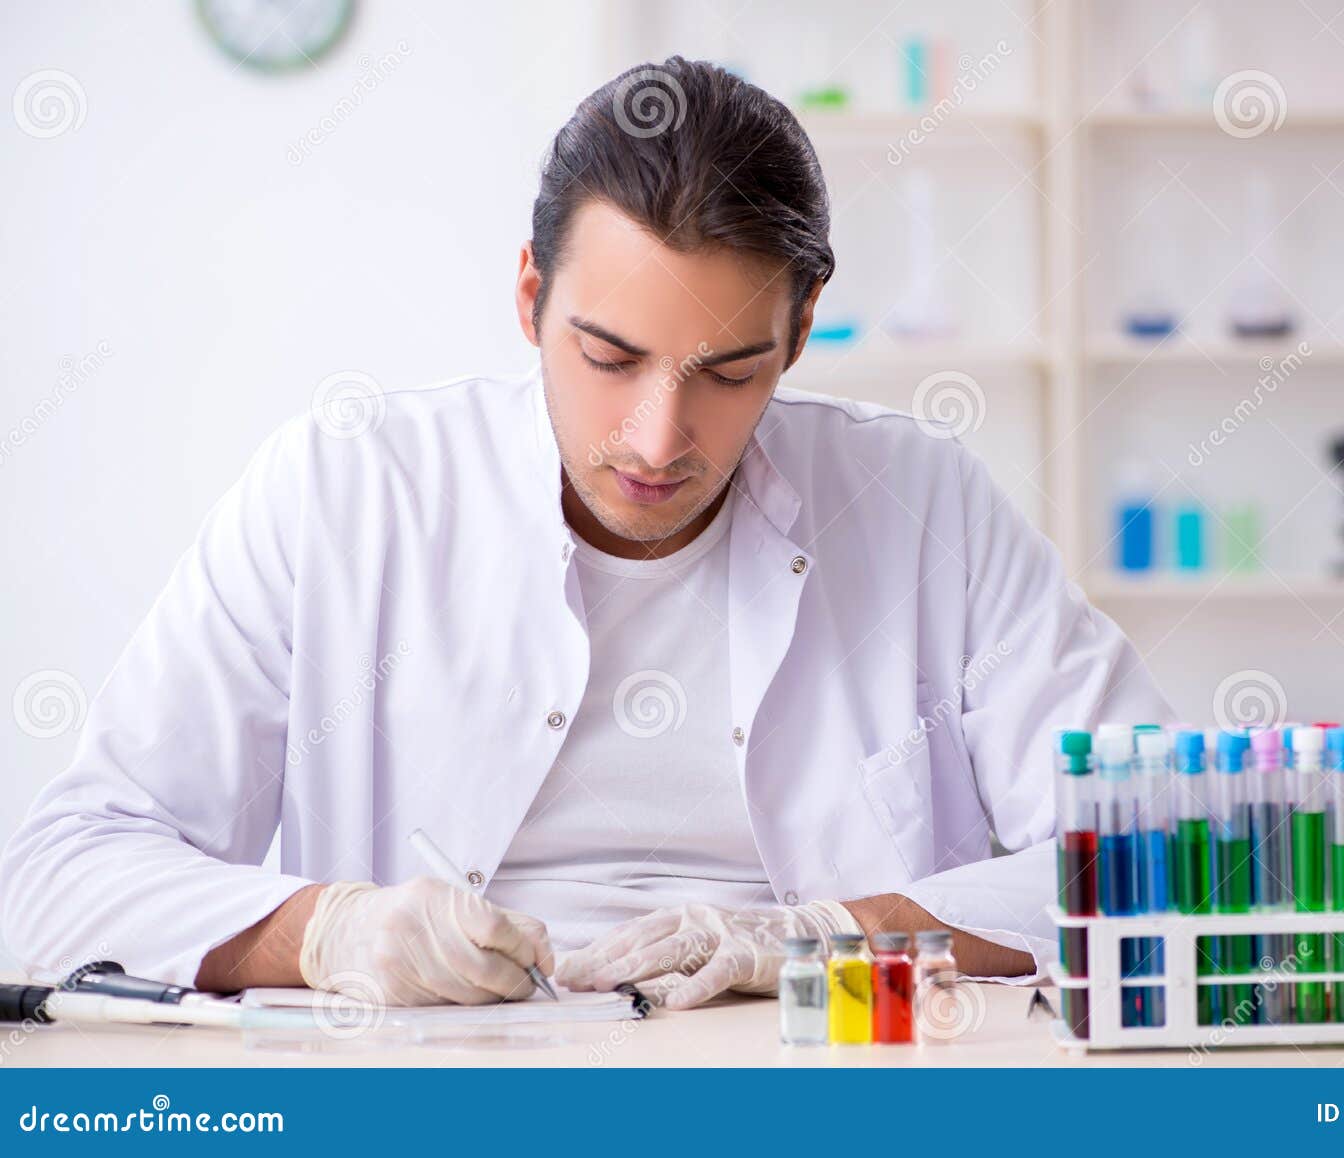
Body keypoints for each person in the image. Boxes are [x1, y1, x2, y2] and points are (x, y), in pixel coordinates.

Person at [0, 57, 1170, 1011]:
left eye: (728, 370)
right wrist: (323, 933)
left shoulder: (920, 501)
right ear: (528, 300)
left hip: (821, 1077)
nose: (657, 440)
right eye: (609, 359)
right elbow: (55, 880)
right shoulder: (344, 493)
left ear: (802, 331)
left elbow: (1155, 851)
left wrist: (832, 938)